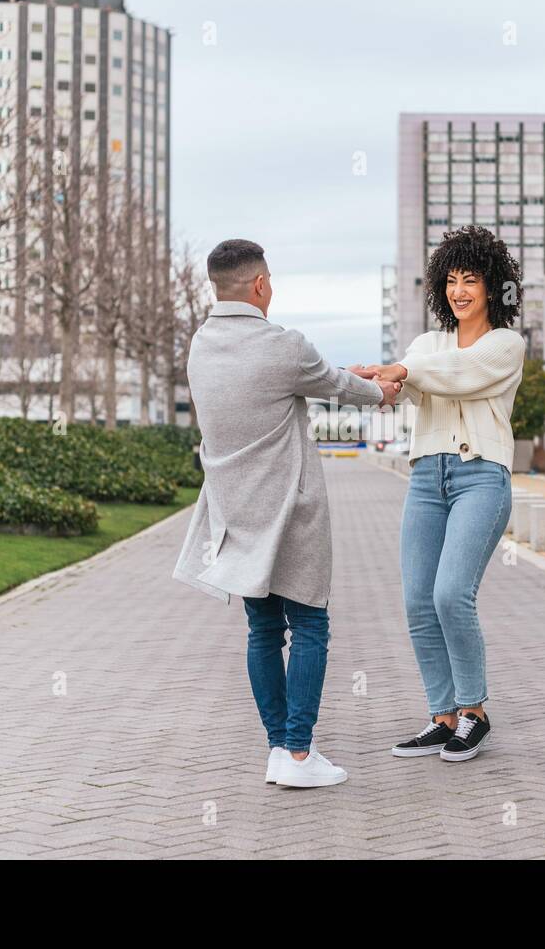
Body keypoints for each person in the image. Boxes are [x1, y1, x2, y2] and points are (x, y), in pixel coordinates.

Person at [174, 238, 401, 788]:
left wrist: (340, 377)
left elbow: (309, 380)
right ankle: (299, 754)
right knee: (310, 625)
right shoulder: (284, 346)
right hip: (290, 510)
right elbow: (341, 388)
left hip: (235, 511)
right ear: (258, 285)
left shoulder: (201, 347)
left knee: (262, 631)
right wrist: (384, 390)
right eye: (269, 279)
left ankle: (280, 748)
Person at [361, 225, 525, 763]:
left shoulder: (506, 344)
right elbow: (407, 387)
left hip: (482, 477)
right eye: (451, 280)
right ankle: (442, 716)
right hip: (428, 479)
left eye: (470, 280)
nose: (459, 291)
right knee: (417, 600)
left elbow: (459, 374)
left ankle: (474, 712)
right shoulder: (426, 345)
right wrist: (371, 384)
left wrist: (405, 370)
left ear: (492, 286)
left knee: (451, 593)